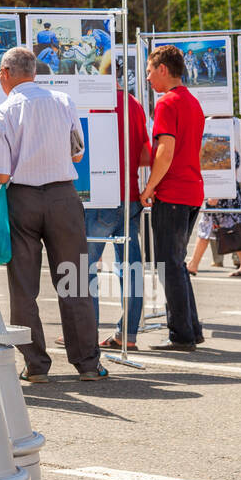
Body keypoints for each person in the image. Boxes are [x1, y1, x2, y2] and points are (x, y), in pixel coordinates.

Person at [0, 46, 106, 383]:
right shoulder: (63, 102)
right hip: (64, 197)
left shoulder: (1, 114)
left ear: (5, 74)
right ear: (34, 72)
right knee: (74, 281)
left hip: (22, 200)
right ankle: (88, 364)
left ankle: (36, 364)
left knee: (24, 287)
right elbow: (77, 153)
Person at [141, 44, 205, 351]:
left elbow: (165, 151)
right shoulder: (192, 102)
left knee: (169, 265)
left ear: (163, 69)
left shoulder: (167, 103)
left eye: (150, 70)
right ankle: (192, 329)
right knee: (177, 264)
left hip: (174, 192)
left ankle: (182, 335)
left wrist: (149, 187)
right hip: (192, 191)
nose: (148, 77)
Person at [86, 78, 151, 351]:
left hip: (99, 198)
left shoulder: (94, 103)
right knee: (131, 270)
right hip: (130, 195)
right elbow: (146, 154)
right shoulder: (134, 104)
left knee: (84, 269)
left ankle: (85, 334)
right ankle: (128, 335)